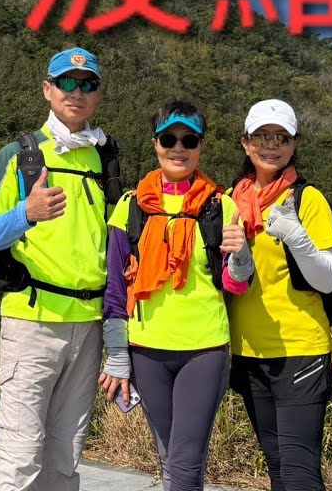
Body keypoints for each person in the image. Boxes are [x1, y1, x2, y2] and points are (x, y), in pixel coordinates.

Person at [0, 47, 120, 491]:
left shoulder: (104, 157)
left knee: (66, 452)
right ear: (47, 89)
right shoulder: (20, 154)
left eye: (87, 84)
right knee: (19, 451)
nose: (77, 92)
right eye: (67, 83)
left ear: (97, 94)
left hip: (89, 324)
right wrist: (27, 213)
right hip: (32, 321)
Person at [97, 100, 251, 491]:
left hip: (204, 348)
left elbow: (237, 284)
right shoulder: (131, 207)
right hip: (146, 349)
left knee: (184, 459)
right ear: (155, 144)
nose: (178, 148)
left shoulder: (221, 204)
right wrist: (117, 357)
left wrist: (242, 255)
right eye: (169, 138)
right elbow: (116, 290)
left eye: (189, 139)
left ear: (201, 146)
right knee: (169, 457)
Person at [226, 99, 332, 491]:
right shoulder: (229, 201)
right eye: (262, 136)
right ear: (246, 143)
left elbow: (328, 279)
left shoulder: (307, 199)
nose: (271, 145)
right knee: (276, 465)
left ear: (294, 144)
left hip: (299, 348)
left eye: (281, 137)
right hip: (248, 349)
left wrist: (295, 236)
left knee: (298, 471)